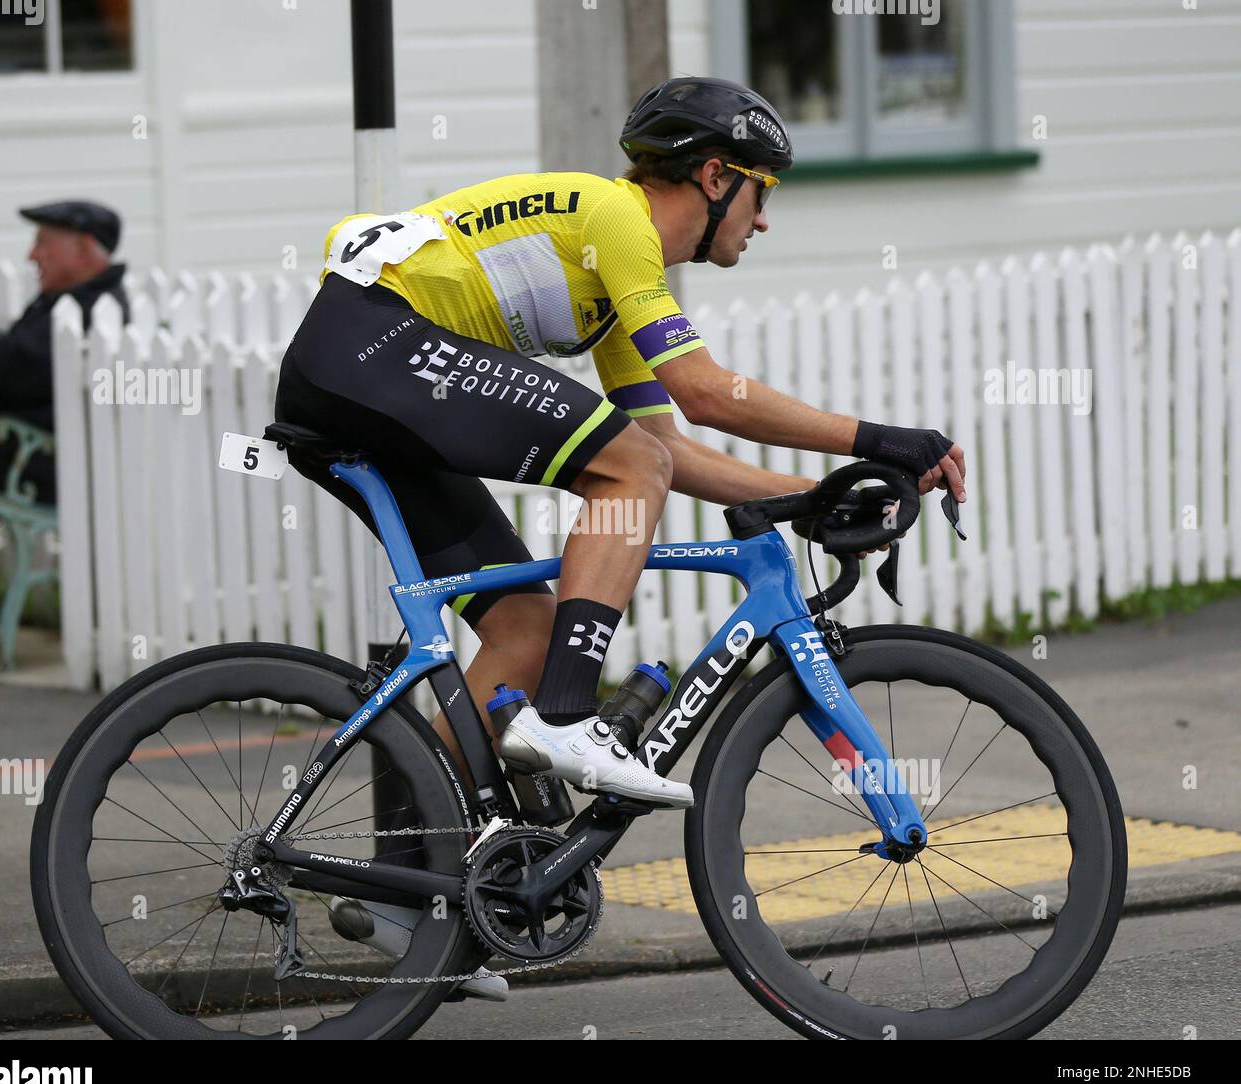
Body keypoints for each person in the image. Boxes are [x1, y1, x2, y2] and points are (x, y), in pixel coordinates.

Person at [275, 77, 966, 811]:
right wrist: (882, 441)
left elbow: (669, 442)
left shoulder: (613, 276)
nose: (762, 222)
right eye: (761, 194)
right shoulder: (619, 218)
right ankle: (570, 720)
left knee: (528, 632)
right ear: (714, 177)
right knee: (629, 468)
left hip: (363, 381)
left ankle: (420, 870)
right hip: (372, 350)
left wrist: (812, 498)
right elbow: (704, 393)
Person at [0, 200, 127, 506]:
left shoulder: (87, 309)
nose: (32, 255)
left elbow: (10, 369)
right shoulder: (64, 301)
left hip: (30, 458)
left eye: (43, 243)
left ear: (84, 248)